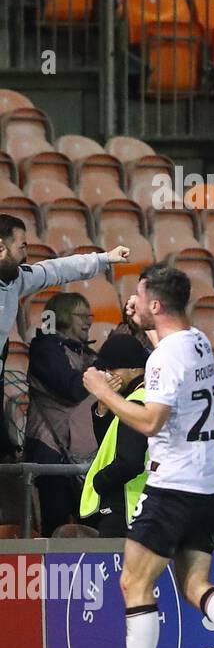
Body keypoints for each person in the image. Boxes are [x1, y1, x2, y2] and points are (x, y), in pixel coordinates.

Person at [80, 265, 214, 648]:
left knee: (134, 581)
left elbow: (151, 421)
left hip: (173, 484)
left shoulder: (166, 356)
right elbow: (162, 349)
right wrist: (136, 324)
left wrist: (101, 390)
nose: (132, 300)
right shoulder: (198, 341)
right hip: (207, 480)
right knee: (194, 585)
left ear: (155, 304)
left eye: (138, 295)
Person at [0, 213, 131, 458]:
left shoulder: (16, 279)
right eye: (22, 246)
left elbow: (58, 269)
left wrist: (104, 259)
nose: (26, 255)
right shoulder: (48, 347)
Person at [24, 292, 99, 532]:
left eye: (90, 316)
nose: (88, 321)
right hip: (51, 449)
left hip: (78, 451)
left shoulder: (82, 352)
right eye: (81, 316)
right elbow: (71, 389)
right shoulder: (46, 349)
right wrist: (100, 367)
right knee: (55, 521)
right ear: (64, 317)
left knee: (90, 524)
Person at [80, 333, 152, 538]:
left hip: (128, 508)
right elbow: (110, 444)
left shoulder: (138, 401)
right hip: (142, 507)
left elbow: (129, 461)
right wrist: (104, 406)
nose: (108, 375)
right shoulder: (135, 399)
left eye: (112, 370)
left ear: (134, 368)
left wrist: (99, 481)